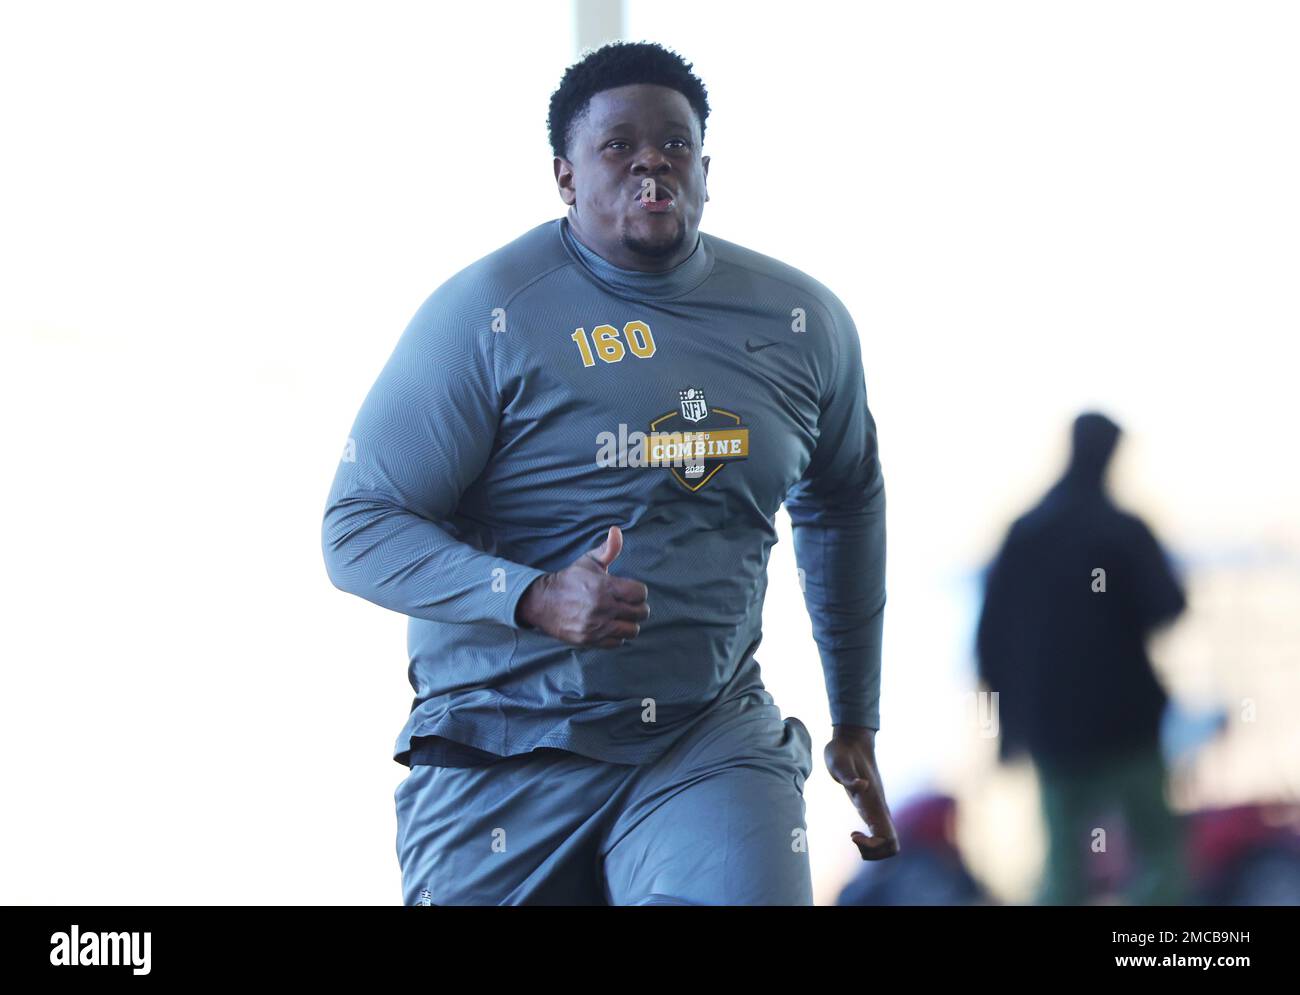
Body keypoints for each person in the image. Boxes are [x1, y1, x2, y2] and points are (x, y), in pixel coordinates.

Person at [321, 41, 897, 905]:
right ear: (564, 176)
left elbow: (846, 500)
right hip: (502, 748)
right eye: (617, 145)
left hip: (705, 734)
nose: (651, 161)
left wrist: (855, 716)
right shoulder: (488, 313)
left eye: (673, 142)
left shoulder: (799, 321)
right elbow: (356, 526)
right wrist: (533, 594)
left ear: (707, 167)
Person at [976, 412, 1188, 905]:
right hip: (1128, 727)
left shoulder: (1026, 534)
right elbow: (1170, 607)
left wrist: (1007, 730)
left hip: (1055, 734)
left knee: (1063, 867)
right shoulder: (1124, 531)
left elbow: (991, 641)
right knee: (1157, 856)